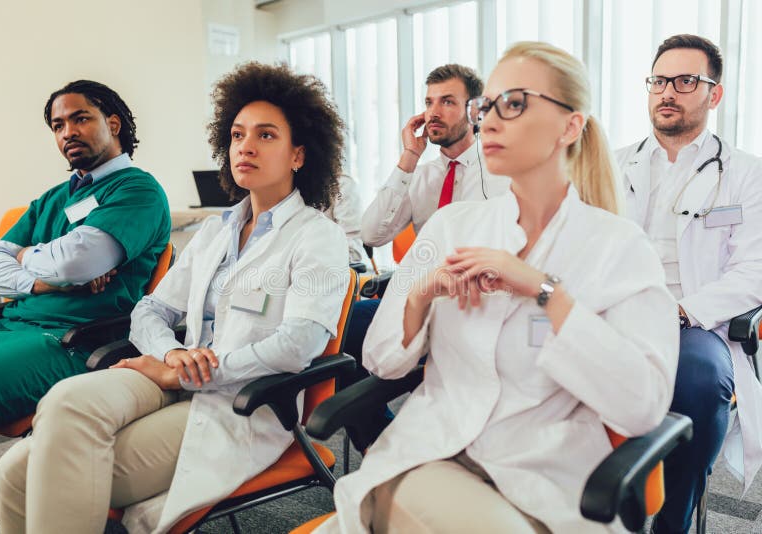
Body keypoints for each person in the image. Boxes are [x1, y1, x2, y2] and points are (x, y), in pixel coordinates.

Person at [317, 41, 679, 534]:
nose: (487, 121)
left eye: (513, 104)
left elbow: (642, 408)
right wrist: (421, 296)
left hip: (546, 481)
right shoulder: (448, 227)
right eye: (486, 106)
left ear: (570, 126)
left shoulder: (618, 246)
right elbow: (382, 362)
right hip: (429, 457)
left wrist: (544, 290)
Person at [0, 62, 350, 534]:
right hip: (174, 377)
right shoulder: (214, 231)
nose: (245, 146)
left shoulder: (316, 237)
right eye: (238, 134)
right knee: (33, 441)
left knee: (39, 471)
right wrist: (170, 354)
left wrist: (190, 370)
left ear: (299, 155)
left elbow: (298, 344)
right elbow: (152, 309)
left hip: (240, 403)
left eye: (266, 136)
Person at [0, 80, 170, 516]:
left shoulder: (137, 191)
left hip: (71, 341)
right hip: (10, 322)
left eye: (80, 118)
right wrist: (42, 278)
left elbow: (77, 263)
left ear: (112, 124)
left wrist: (29, 257)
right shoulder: (53, 198)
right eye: (58, 125)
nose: (67, 132)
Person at [615, 34, 762, 534]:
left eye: (685, 81)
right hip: (615, 315)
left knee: (699, 380)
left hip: (696, 322)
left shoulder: (746, 174)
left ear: (713, 94)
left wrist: (679, 312)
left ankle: (672, 520)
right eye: (659, 80)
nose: (667, 92)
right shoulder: (612, 165)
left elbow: (754, 271)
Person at [347, 64, 510, 384]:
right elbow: (372, 233)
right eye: (429, 102)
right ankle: (376, 428)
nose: (433, 112)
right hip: (421, 296)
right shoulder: (419, 176)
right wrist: (409, 157)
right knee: (349, 328)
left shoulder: (499, 173)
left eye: (447, 102)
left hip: (473, 302)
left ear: (475, 111)